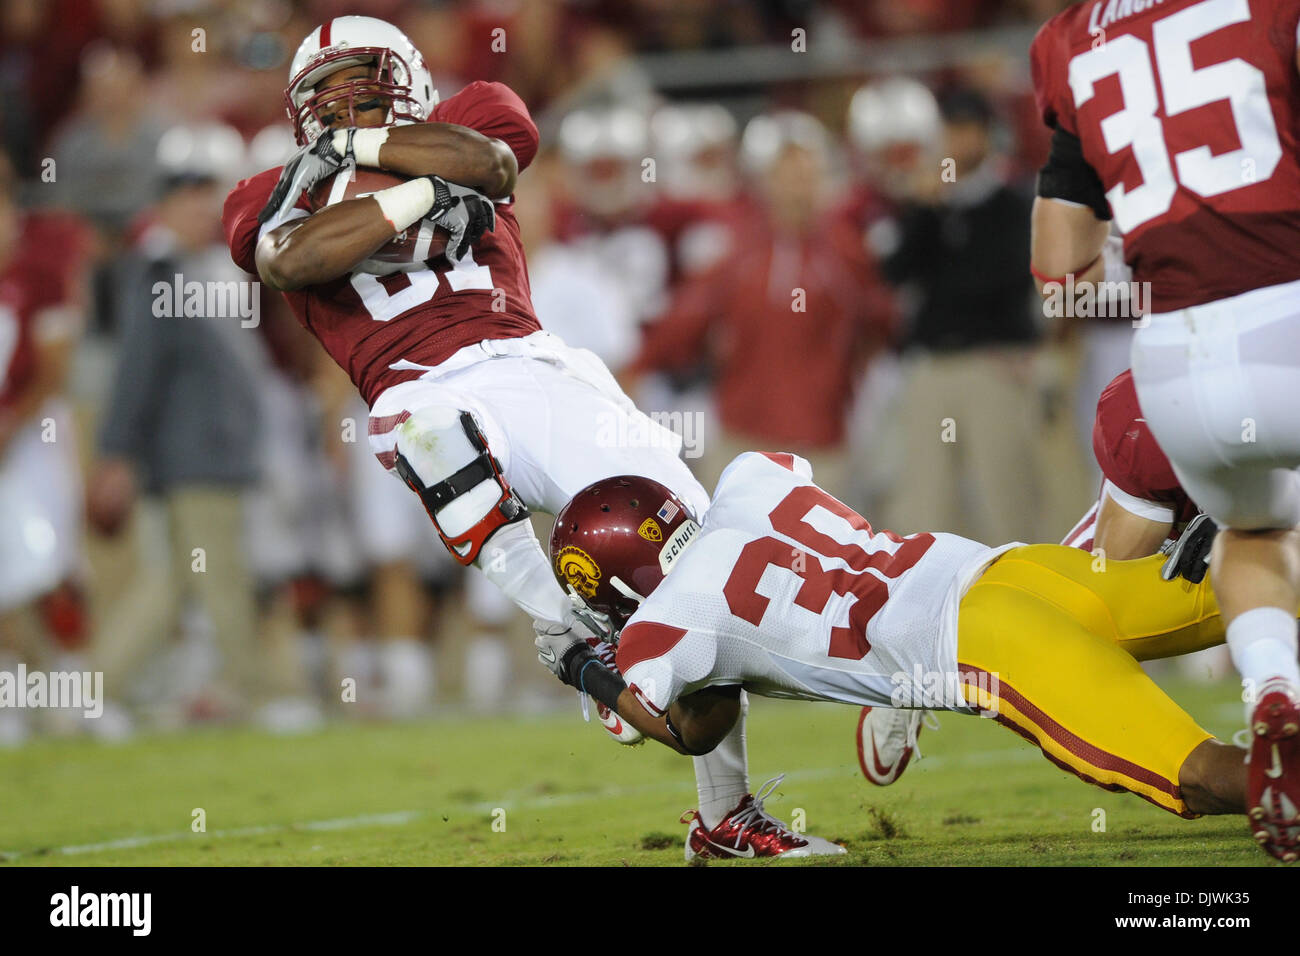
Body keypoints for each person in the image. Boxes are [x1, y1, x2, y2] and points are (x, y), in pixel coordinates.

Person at [222, 15, 839, 857]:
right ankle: (564, 625)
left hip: (536, 363)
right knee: (436, 436)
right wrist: (422, 196)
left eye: (360, 81)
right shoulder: (269, 191)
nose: (343, 104)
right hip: (418, 383)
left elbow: (493, 162)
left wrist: (370, 157)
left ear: (403, 76)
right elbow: (291, 261)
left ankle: (724, 813)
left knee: (702, 559)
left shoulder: (472, 110)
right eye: (323, 93)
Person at [535, 452, 1261, 858]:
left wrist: (581, 665)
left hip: (982, 641)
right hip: (1012, 570)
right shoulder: (748, 479)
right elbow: (786, 480)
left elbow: (681, 728)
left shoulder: (664, 619)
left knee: (1195, 774)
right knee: (1258, 587)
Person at [1028, 0, 1300, 859]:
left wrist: (1163, 250)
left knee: (1254, 533)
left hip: (1170, 364)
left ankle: (1270, 694)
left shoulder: (1071, 39)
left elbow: (1060, 272)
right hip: (1288, 309)